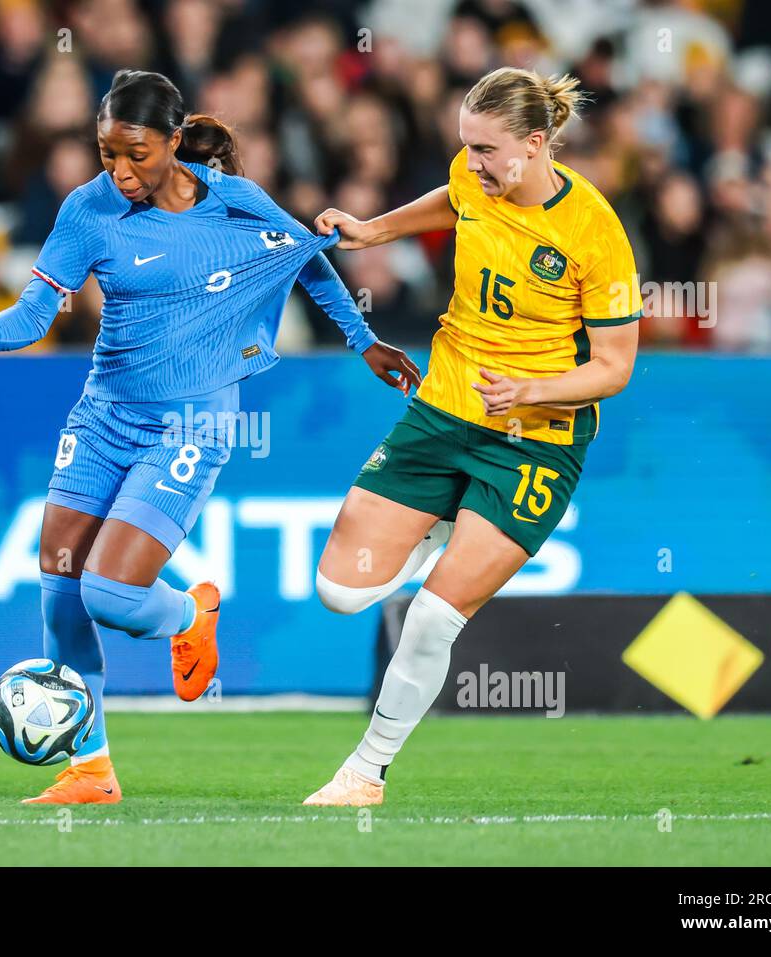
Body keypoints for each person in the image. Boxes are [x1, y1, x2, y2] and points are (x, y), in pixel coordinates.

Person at [0, 70, 419, 804]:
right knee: (61, 586)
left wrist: (364, 340)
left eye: (135, 153)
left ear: (171, 142)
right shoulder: (88, 209)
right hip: (102, 415)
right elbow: (36, 310)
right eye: (106, 154)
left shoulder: (232, 202)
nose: (120, 172)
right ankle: (90, 770)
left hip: (191, 422)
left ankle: (192, 612)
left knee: (106, 591)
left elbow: (306, 258)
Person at [303, 67, 642, 806]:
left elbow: (615, 368)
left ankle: (366, 772)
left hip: (535, 441)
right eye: (466, 147)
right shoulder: (473, 176)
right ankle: (447, 520)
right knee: (337, 590)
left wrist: (535, 389)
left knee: (431, 615)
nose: (473, 163)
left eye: (486, 149)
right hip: (444, 409)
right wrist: (375, 229)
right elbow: (450, 200)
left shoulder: (594, 230)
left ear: (534, 142)